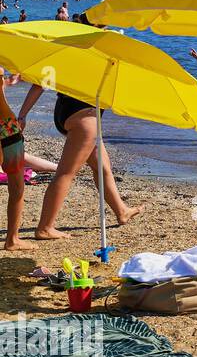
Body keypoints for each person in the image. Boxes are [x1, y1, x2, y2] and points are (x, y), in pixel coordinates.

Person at [16, 83, 143, 241]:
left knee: (102, 167)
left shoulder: (73, 58)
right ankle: (45, 228)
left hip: (65, 108)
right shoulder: (106, 60)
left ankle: (122, 211)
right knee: (65, 173)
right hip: (84, 115)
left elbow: (40, 83)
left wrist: (22, 115)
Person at [0, 72, 33, 250]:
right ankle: (12, 239)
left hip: (7, 126)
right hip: (5, 127)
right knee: (17, 187)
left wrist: (9, 80)